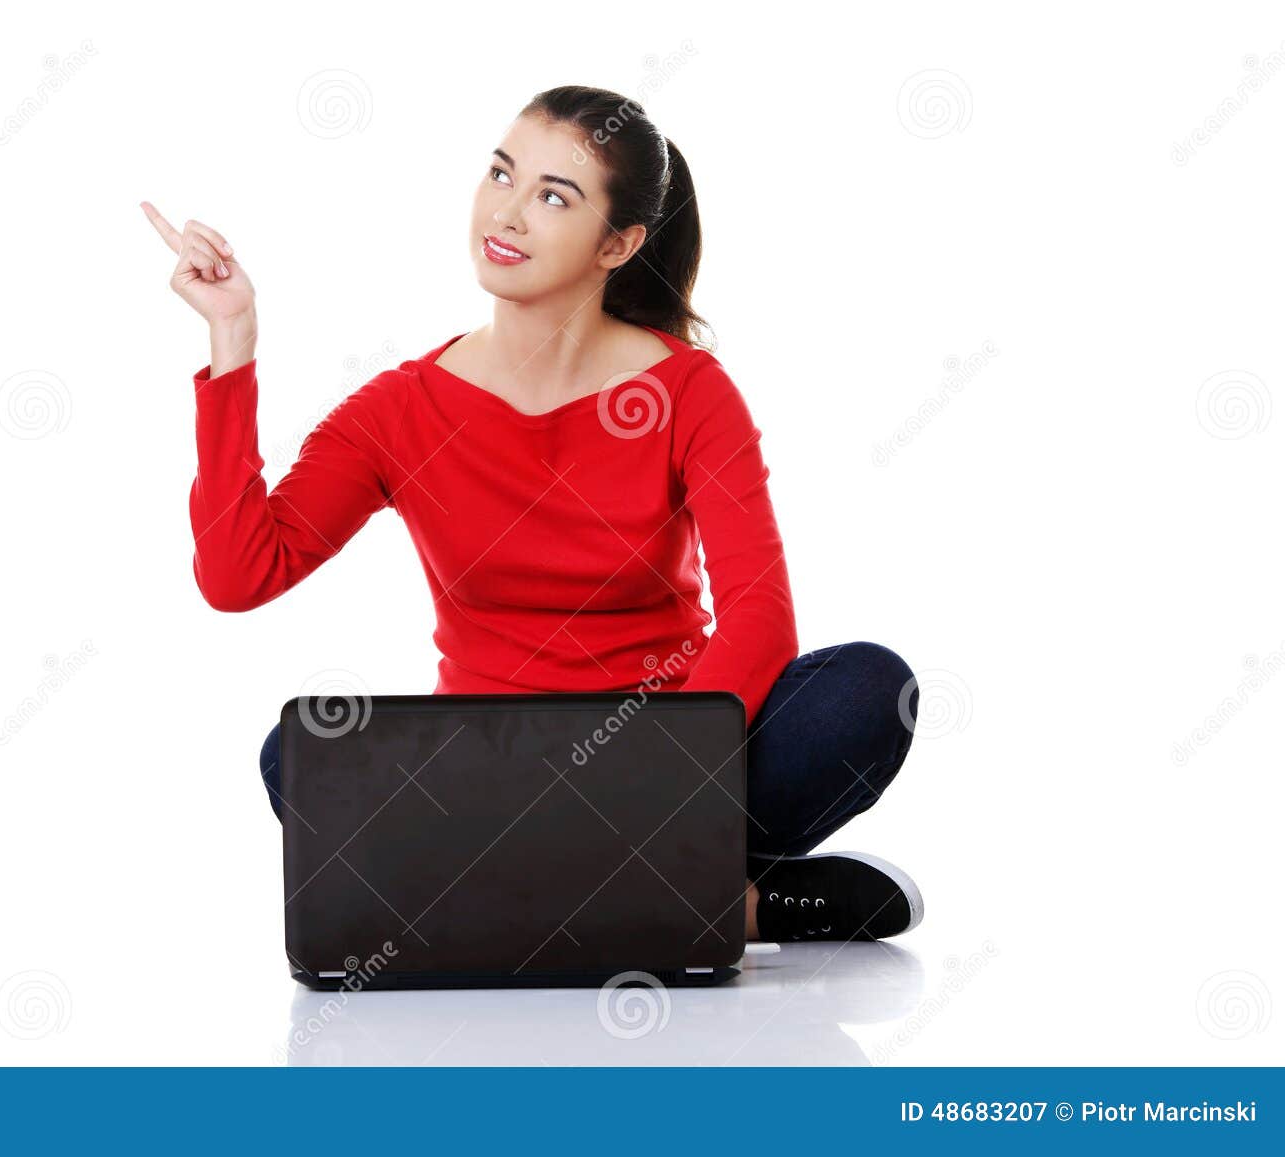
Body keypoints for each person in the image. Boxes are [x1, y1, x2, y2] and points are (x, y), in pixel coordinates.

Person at [142, 84, 923, 944]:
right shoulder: (399, 409)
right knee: (298, 758)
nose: (507, 213)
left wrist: (657, 769)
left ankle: (518, 906)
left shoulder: (689, 391)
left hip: (672, 755)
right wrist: (233, 342)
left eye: (554, 196)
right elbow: (238, 573)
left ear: (618, 244)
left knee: (867, 691)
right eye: (501, 174)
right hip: (492, 772)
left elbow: (760, 616)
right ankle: (722, 904)